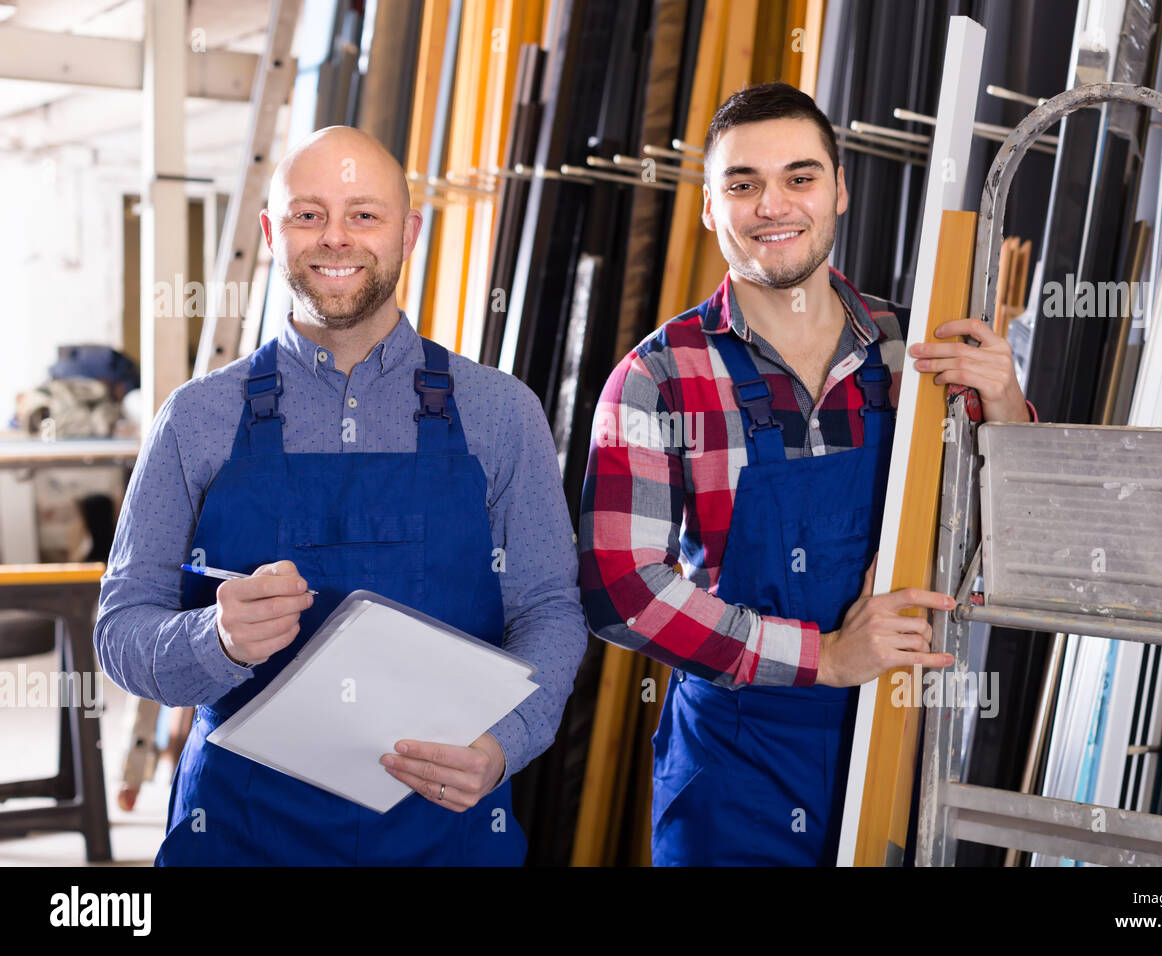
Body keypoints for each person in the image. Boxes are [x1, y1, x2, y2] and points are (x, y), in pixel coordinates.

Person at [94, 126, 587, 866]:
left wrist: (505, 744)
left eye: (364, 214)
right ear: (270, 232)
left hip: (443, 829)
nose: (335, 239)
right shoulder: (196, 419)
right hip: (239, 833)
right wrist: (216, 640)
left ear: (408, 232)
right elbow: (121, 633)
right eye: (307, 214)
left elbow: (548, 609)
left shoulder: (500, 413)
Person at [578, 83, 1034, 866]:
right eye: (742, 184)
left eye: (800, 176)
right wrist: (824, 657)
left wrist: (1006, 404)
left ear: (839, 189)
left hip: (902, 741)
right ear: (709, 208)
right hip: (736, 768)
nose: (773, 205)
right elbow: (622, 591)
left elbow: (1021, 533)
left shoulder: (917, 354)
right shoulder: (658, 378)